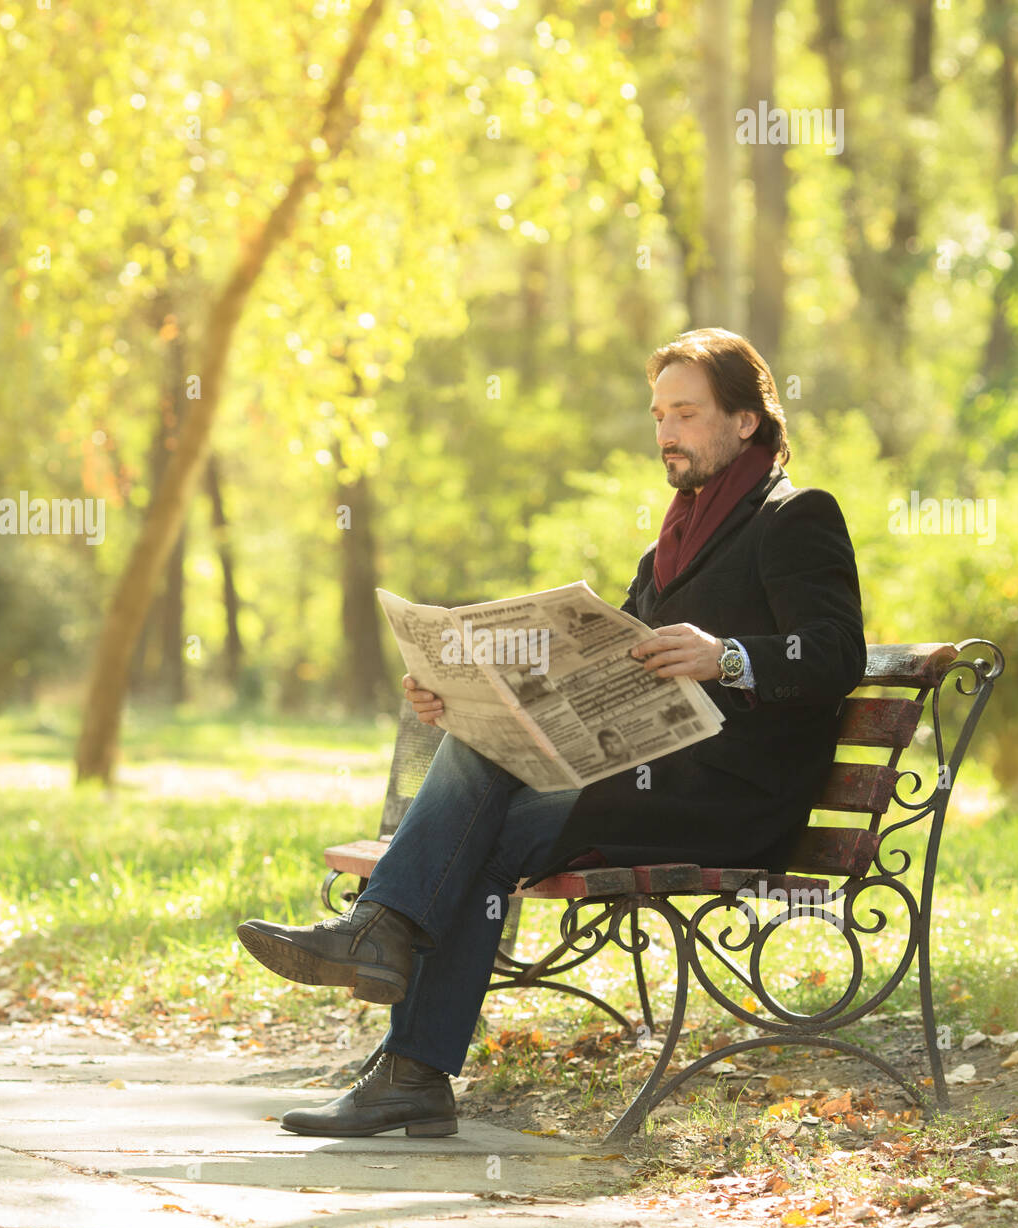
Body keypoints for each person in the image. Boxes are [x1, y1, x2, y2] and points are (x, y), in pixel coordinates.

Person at [236, 327, 867, 1138]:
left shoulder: (795, 517)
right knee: (483, 802)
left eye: (684, 413)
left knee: (476, 825)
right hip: (646, 773)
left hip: (729, 796)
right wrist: (461, 699)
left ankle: (381, 955)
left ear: (746, 421)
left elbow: (835, 653)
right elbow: (604, 671)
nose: (664, 433)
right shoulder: (668, 544)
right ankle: (409, 1067)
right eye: (656, 415)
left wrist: (728, 657)